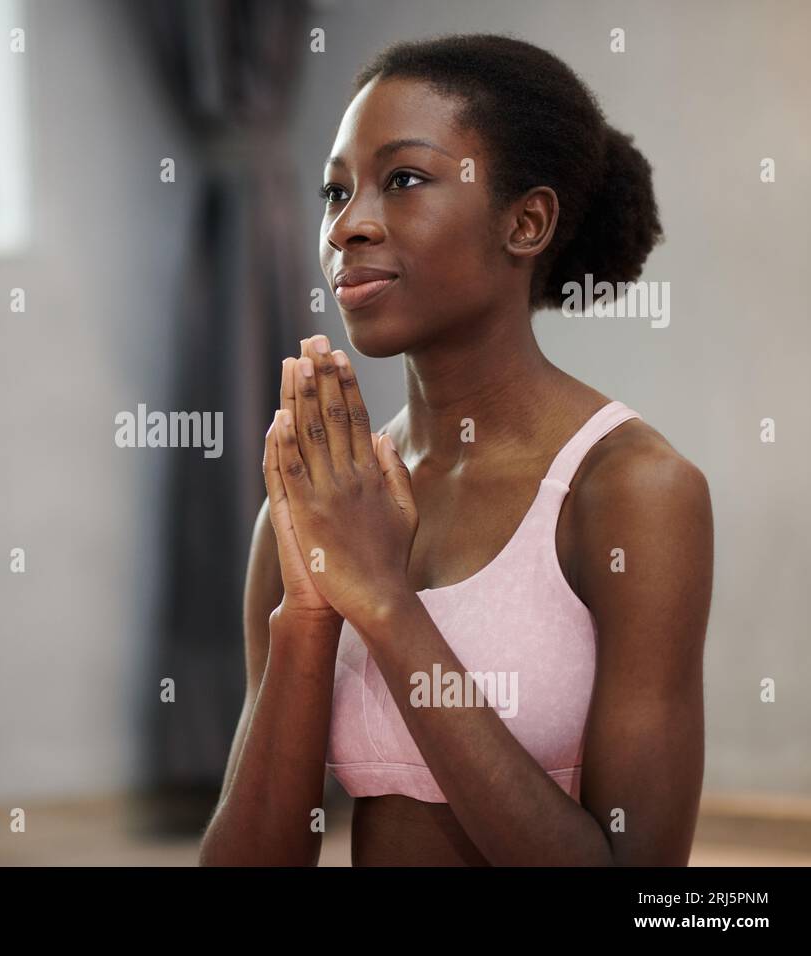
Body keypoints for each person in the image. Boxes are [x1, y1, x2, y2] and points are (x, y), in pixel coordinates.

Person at [198, 33, 712, 866]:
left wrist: (389, 609)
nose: (348, 227)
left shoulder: (633, 491)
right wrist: (308, 616)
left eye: (403, 180)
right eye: (335, 193)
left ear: (526, 221)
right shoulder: (321, 500)